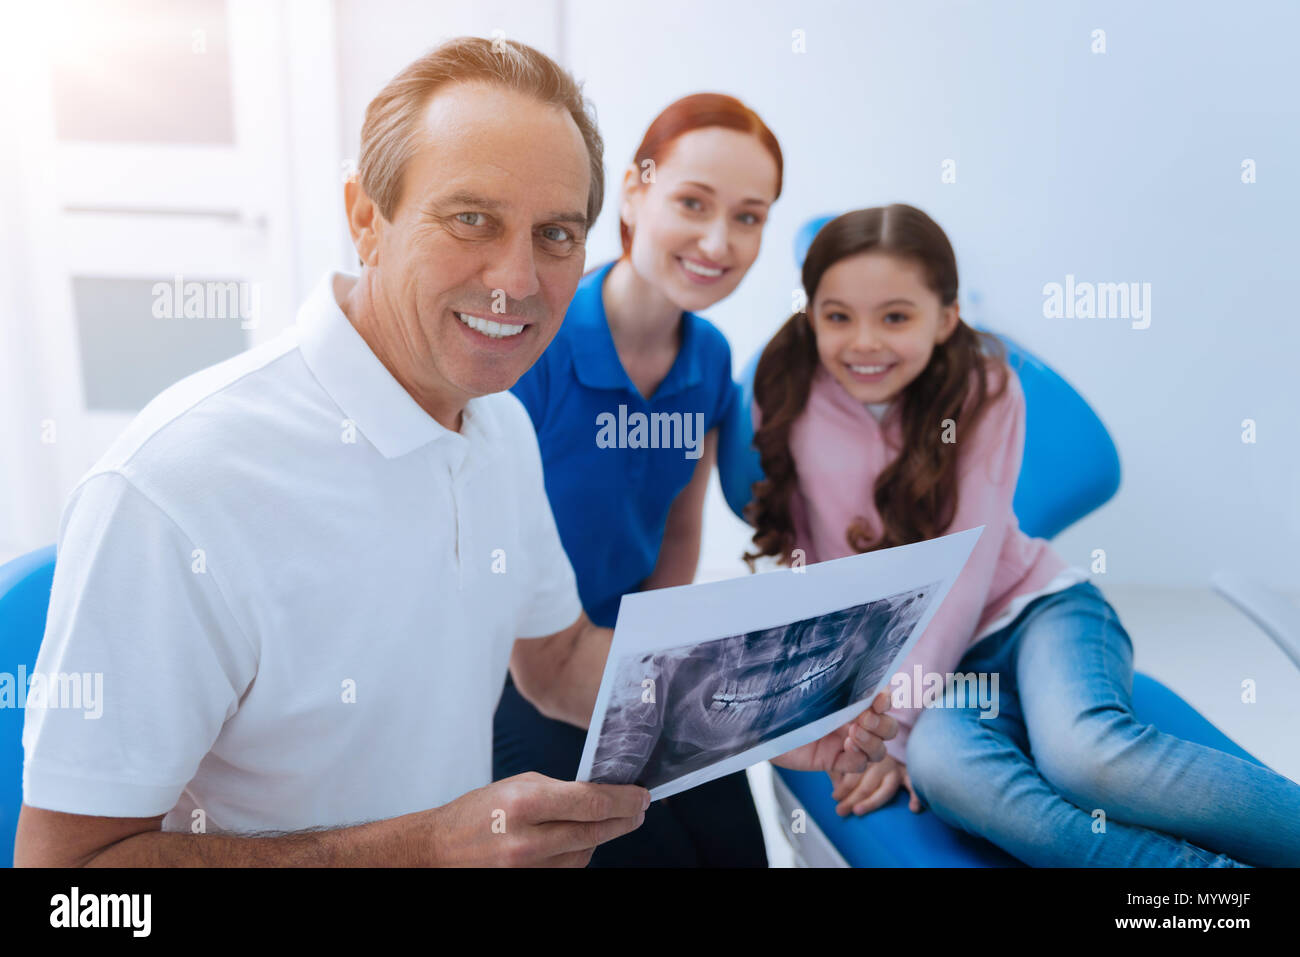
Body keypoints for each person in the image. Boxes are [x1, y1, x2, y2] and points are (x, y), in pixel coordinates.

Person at [15, 38, 896, 868]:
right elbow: (74, 894)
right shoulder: (176, 488)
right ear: (366, 215)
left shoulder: (497, 424)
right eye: (470, 219)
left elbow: (555, 663)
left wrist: (773, 712)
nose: (516, 282)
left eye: (554, 235)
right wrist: (423, 849)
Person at [742, 203, 1300, 866]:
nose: (864, 341)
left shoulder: (986, 389)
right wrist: (856, 709)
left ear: (946, 317)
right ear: (811, 313)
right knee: (950, 772)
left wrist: (892, 732)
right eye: (838, 316)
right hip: (942, 674)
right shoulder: (786, 392)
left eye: (895, 316)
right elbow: (824, 566)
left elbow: (964, 571)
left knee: (1085, 758)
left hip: (1036, 613)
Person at [493, 93, 782, 866]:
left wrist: (651, 663)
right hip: (517, 668)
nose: (719, 240)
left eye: (749, 216)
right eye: (693, 202)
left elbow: (680, 525)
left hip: (625, 659)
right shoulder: (537, 342)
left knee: (735, 852)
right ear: (631, 193)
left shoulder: (711, 356)